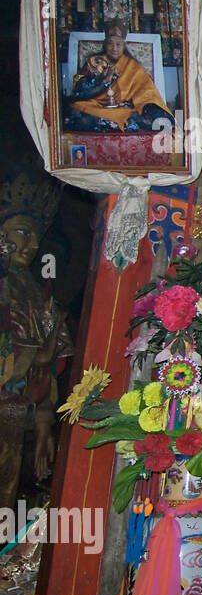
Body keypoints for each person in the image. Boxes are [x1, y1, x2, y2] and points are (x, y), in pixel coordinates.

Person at [0, 173, 74, 512]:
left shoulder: (34, 291)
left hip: (17, 420)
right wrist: (37, 356)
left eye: (35, 236)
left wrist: (45, 423)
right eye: (22, 233)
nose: (31, 245)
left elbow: (49, 363)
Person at [64, 21, 173, 132]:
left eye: (118, 44)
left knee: (155, 117)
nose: (114, 48)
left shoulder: (132, 66)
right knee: (75, 112)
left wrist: (139, 105)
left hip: (123, 109)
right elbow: (79, 91)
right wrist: (105, 80)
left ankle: (119, 123)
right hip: (96, 106)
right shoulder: (94, 62)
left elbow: (146, 92)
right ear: (105, 44)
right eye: (110, 44)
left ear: (123, 46)